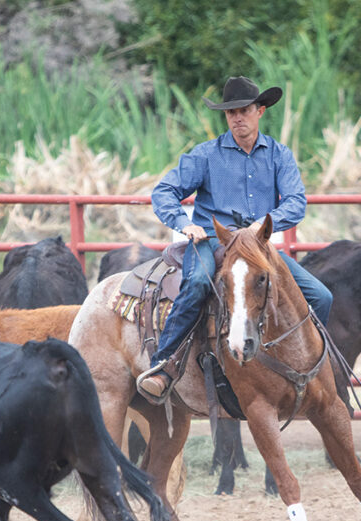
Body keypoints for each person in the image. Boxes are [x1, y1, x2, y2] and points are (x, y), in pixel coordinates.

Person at [137, 76, 333, 401]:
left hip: (257, 247)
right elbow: (164, 191)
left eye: (243, 111)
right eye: (231, 113)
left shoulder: (279, 156)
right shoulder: (206, 155)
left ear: (260, 111)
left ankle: (313, 369)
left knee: (321, 297)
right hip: (213, 241)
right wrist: (183, 222)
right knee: (198, 283)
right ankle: (164, 366)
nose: (237, 118)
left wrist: (264, 225)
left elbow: (296, 201)